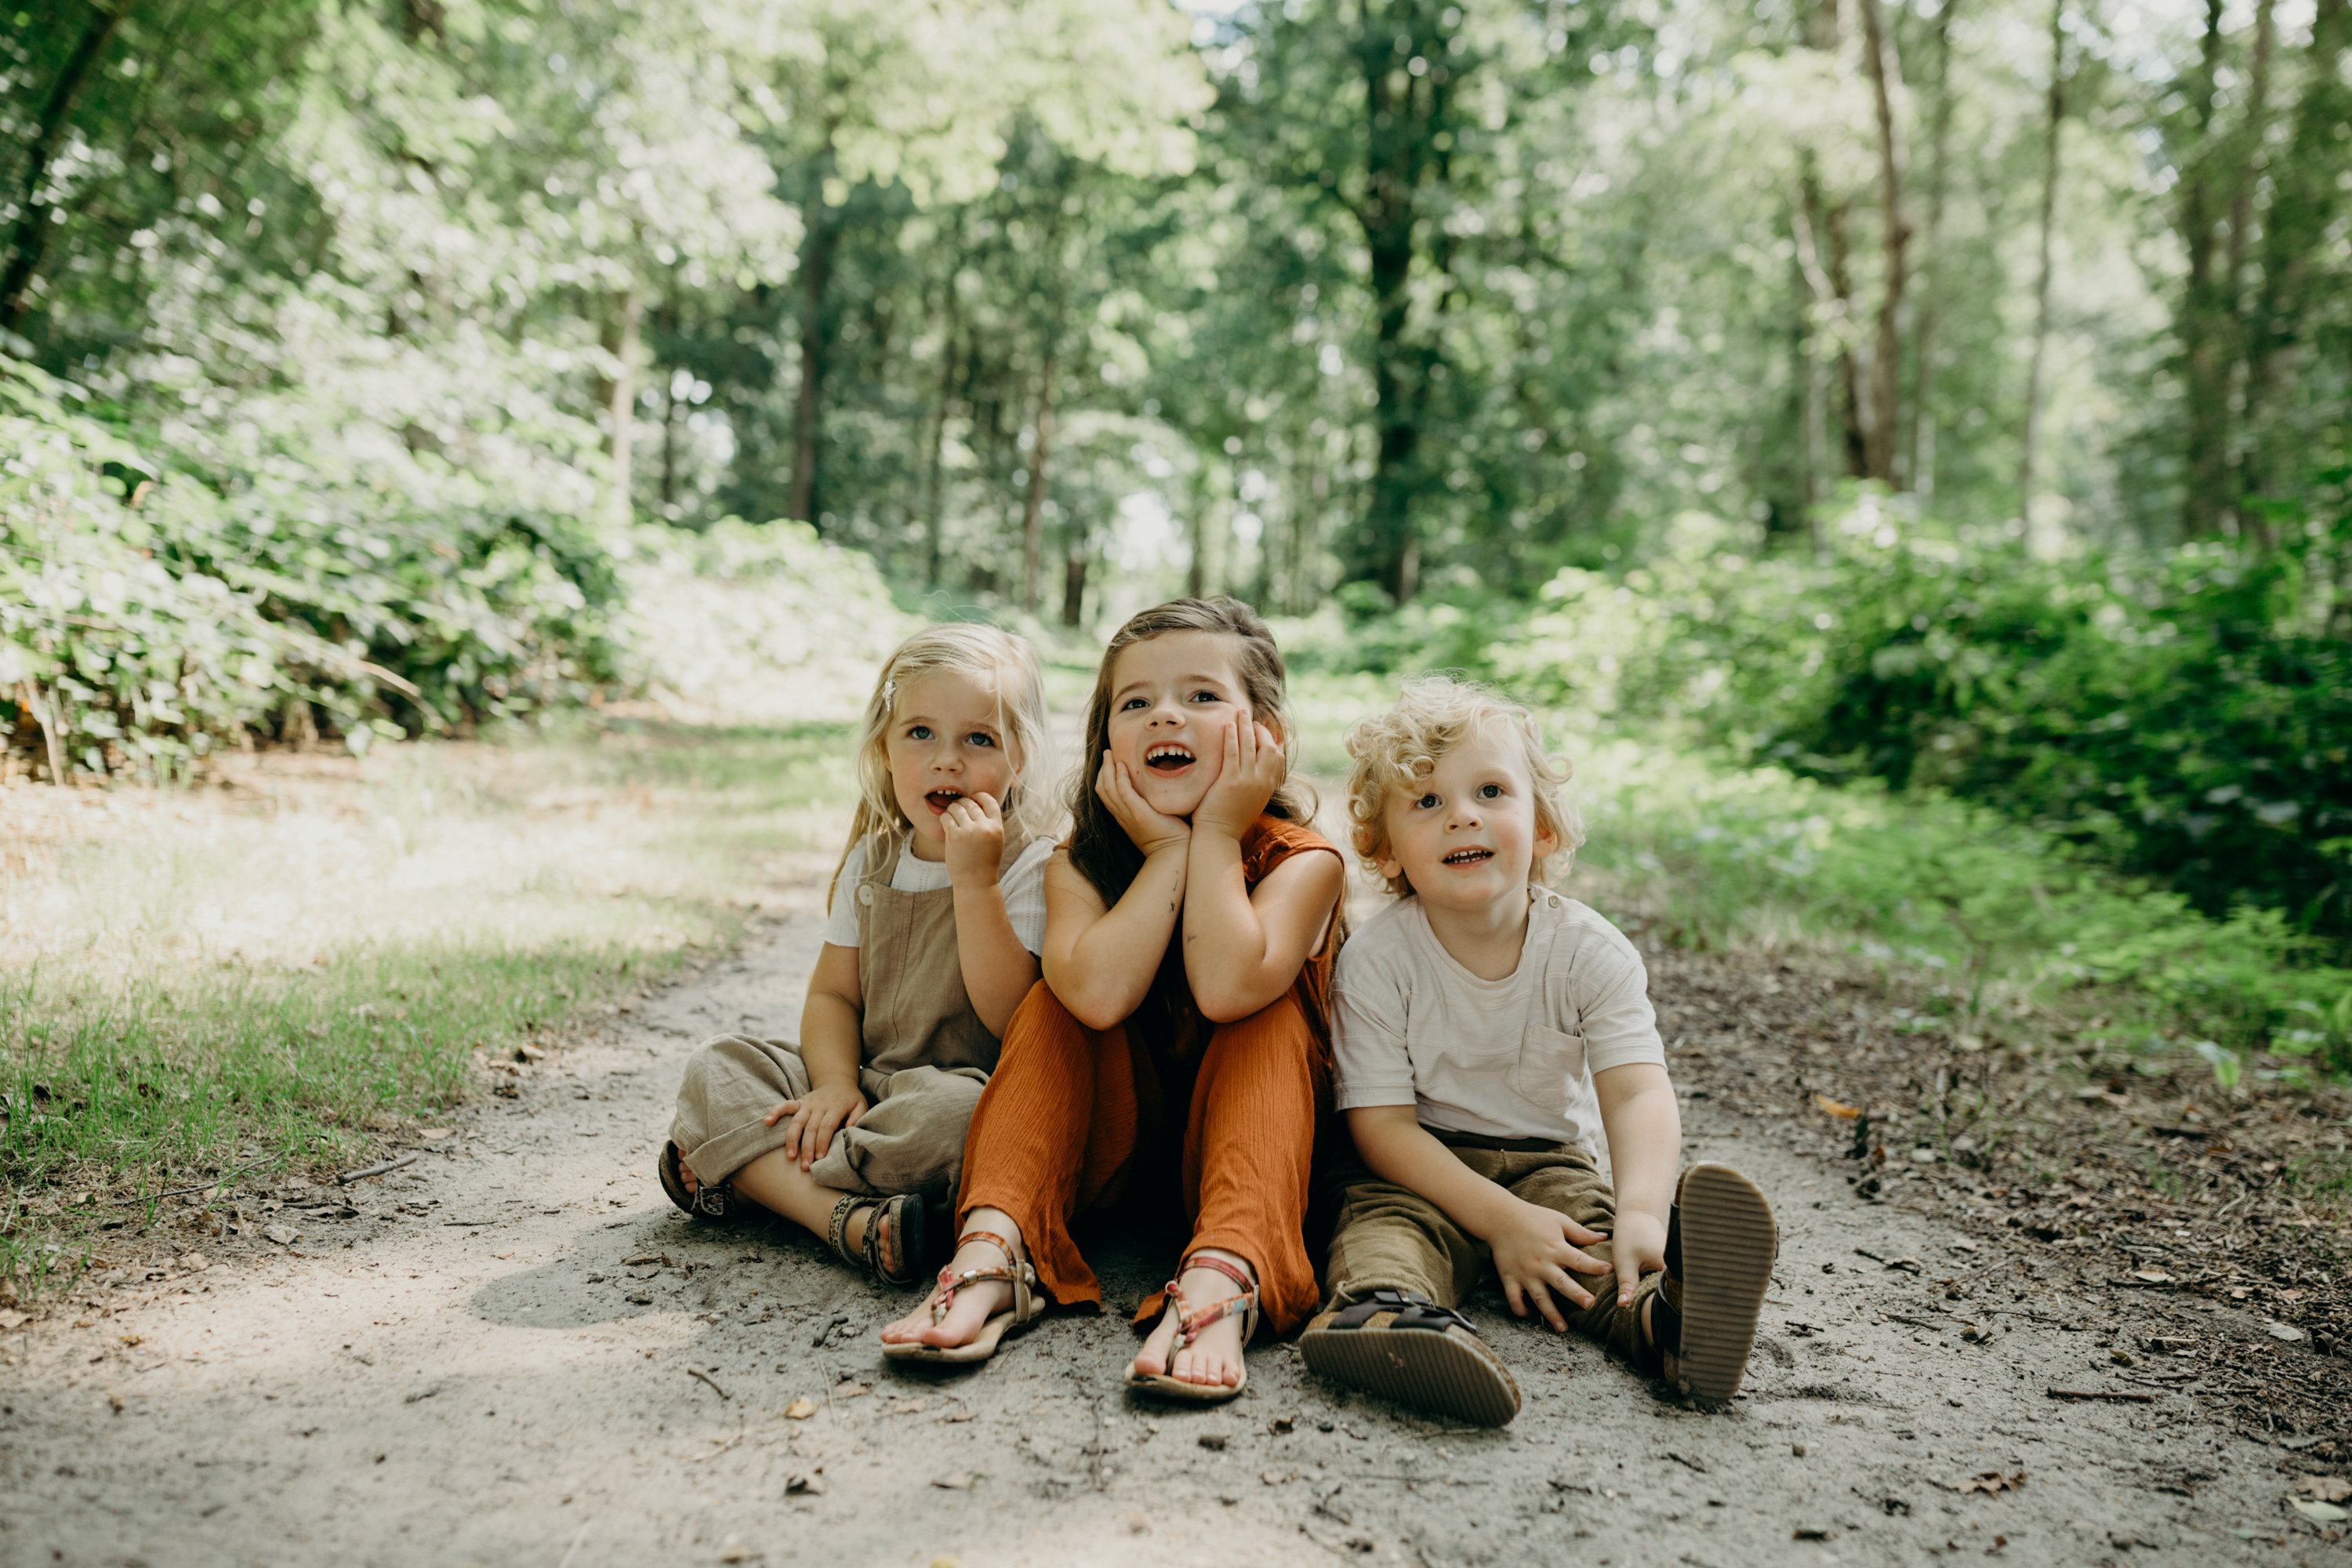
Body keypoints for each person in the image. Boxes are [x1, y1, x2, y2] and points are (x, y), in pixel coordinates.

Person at [879, 597, 1345, 1402]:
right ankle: (995, 1248)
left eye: (1202, 696)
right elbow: (1095, 997)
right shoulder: (1080, 865)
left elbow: (1228, 985)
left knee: (1265, 1009)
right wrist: (1167, 850)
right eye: (1136, 702)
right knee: (1054, 996)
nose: (1166, 713)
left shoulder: (1304, 863)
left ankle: (1223, 1274)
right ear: (1105, 743)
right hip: (1117, 1157)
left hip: (1248, 1158)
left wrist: (1220, 837)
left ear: (1263, 733)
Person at [1296, 677, 1776, 1426]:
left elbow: (1638, 1093)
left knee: (1598, 1251)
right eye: (1426, 802)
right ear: (1384, 852)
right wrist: (1498, 1220)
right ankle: (1387, 1319)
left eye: (1490, 792)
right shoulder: (1380, 959)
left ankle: (1669, 1323)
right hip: (1419, 1162)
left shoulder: (1590, 952)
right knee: (1382, 1229)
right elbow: (1381, 1128)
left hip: (1547, 1159)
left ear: (1542, 828)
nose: (1461, 816)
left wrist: (1643, 1216)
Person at [657, 622, 1054, 1286]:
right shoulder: (873, 862)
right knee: (720, 1065)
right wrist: (836, 1082)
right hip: (861, 1090)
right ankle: (847, 1216)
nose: (946, 760)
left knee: (960, 1128)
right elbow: (832, 996)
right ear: (885, 749)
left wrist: (974, 883)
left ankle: (755, 1178)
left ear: (1020, 758)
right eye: (920, 733)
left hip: (951, 1096)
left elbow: (1011, 1017)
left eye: (978, 739)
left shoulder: (1028, 866)